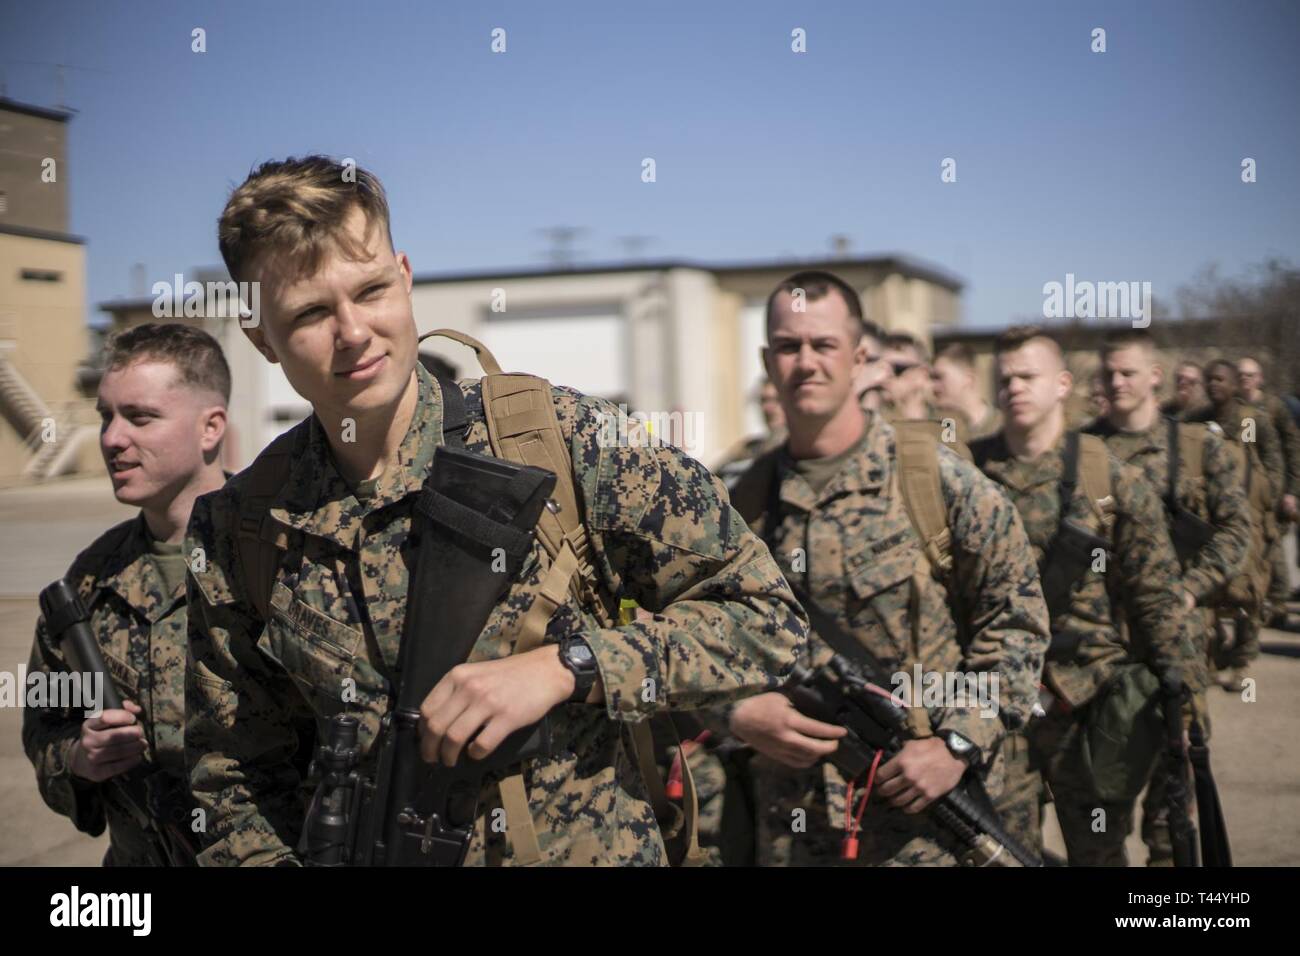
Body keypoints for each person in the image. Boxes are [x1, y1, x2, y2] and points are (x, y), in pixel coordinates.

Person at [183, 156, 808, 867]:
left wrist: (573, 665)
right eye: (311, 313)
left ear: (407, 277)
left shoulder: (555, 441)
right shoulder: (243, 527)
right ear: (261, 336)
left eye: (372, 290)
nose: (353, 331)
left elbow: (768, 621)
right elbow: (229, 778)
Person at [720, 270, 1050, 866]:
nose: (806, 362)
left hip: (927, 828)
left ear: (859, 356)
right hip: (799, 828)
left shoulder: (932, 480)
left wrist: (956, 742)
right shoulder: (743, 505)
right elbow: (694, 636)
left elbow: (1017, 623)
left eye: (824, 345)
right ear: (769, 360)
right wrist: (735, 712)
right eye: (789, 346)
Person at [970, 326, 1206, 866]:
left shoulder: (1111, 478)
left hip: (1088, 701)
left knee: (1096, 851)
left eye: (1027, 377)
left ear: (1062, 384)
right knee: (998, 854)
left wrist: (1182, 706)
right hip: (996, 705)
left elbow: (1156, 599)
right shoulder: (966, 472)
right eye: (1004, 379)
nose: (1014, 389)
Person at [23, 323, 231, 865]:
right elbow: (45, 727)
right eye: (106, 417)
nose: (112, 438)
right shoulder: (88, 582)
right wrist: (80, 757)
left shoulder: (281, 553)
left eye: (140, 417)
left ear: (210, 428)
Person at [1082, 328, 1249, 865]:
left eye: (1129, 372)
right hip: (1104, 657)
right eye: (1109, 373)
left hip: (1180, 651)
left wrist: (1188, 592)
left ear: (1156, 375)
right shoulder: (1082, 452)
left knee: (1172, 810)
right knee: (1100, 805)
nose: (1117, 382)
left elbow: (1235, 532)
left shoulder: (1200, 448)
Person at [1186, 359, 1283, 688]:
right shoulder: (1196, 422)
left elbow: (1273, 461)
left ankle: (1243, 661)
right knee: (1211, 591)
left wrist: (1270, 498)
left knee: (1248, 593)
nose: (1214, 385)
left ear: (1233, 385)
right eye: (1209, 379)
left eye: (1220, 380)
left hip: (1252, 519)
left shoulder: (1251, 421)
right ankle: (1213, 658)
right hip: (1210, 518)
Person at [1237, 357, 1300, 626]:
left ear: (1260, 378)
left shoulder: (1275, 408)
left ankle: (1279, 603)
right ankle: (1252, 601)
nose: (1246, 380)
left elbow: (1292, 449)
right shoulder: (1232, 408)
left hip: (1272, 488)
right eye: (1241, 375)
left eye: (1250, 375)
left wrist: (1292, 490)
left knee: (1273, 545)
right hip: (1242, 489)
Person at [714, 379, 787, 490]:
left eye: (776, 400)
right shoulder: (746, 449)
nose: (768, 408)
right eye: (763, 400)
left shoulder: (802, 448)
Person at [931, 342, 1002, 442]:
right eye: (932, 379)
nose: (933, 387)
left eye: (939, 377)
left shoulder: (1002, 427)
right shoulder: (940, 430)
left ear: (969, 379)